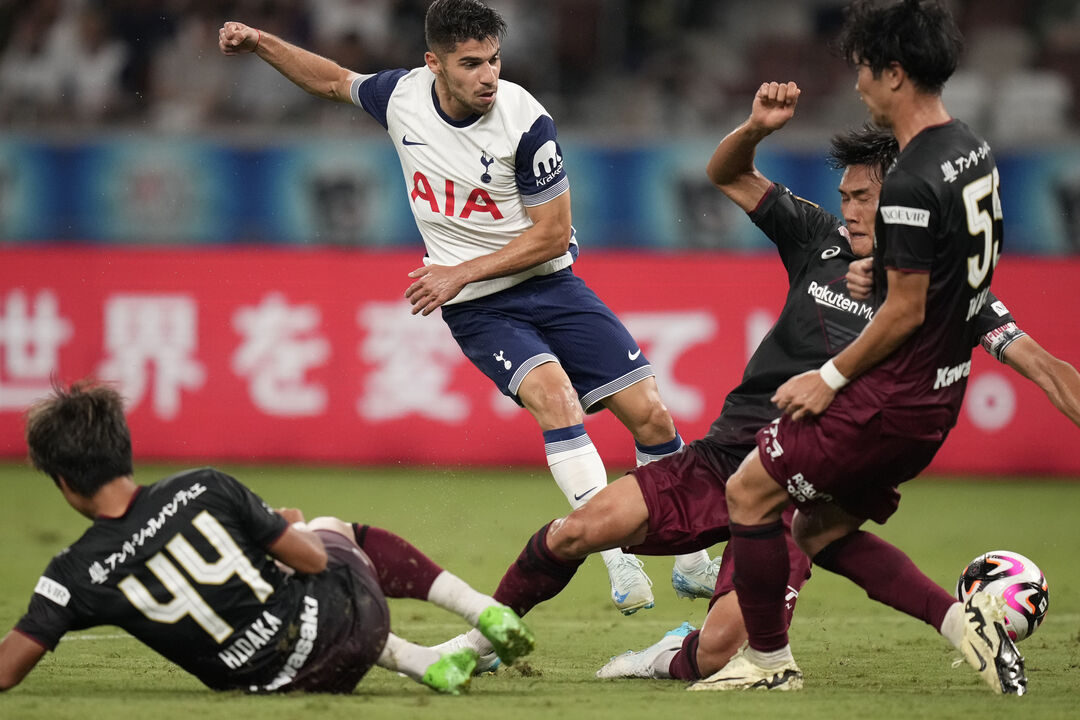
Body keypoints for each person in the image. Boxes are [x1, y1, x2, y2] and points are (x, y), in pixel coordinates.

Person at [432, 78, 1080, 683]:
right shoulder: (817, 240)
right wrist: (754, 128)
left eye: (864, 197)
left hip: (797, 487)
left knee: (717, 652)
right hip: (721, 458)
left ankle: (670, 657)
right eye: (846, 196)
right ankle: (475, 646)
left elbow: (1044, 366)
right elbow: (726, 174)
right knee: (577, 530)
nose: (848, 209)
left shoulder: (940, 293)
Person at [216, 0, 719, 615]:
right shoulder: (400, 98)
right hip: (482, 309)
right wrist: (261, 41)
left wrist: (459, 271)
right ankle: (616, 556)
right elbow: (331, 80)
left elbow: (553, 234)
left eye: (495, 60)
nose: (488, 76)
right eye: (471, 63)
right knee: (555, 398)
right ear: (434, 65)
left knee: (654, 419)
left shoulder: (525, 119)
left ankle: (692, 557)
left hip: (550, 285)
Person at [696, 0, 1026, 695]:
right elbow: (948, 289)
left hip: (886, 399)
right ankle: (962, 623)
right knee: (818, 529)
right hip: (938, 399)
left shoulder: (910, 182)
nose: (857, 85)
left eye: (863, 71)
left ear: (895, 74)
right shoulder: (971, 149)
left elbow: (905, 312)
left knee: (749, 492)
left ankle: (767, 662)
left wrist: (829, 377)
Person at [0, 380, 535, 695]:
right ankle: (478, 609)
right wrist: (288, 527)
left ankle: (422, 662)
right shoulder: (203, 486)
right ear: (124, 449)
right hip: (354, 633)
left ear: (64, 483)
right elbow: (309, 560)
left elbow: (7, 670)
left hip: (276, 683)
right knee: (325, 530)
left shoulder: (71, 574)